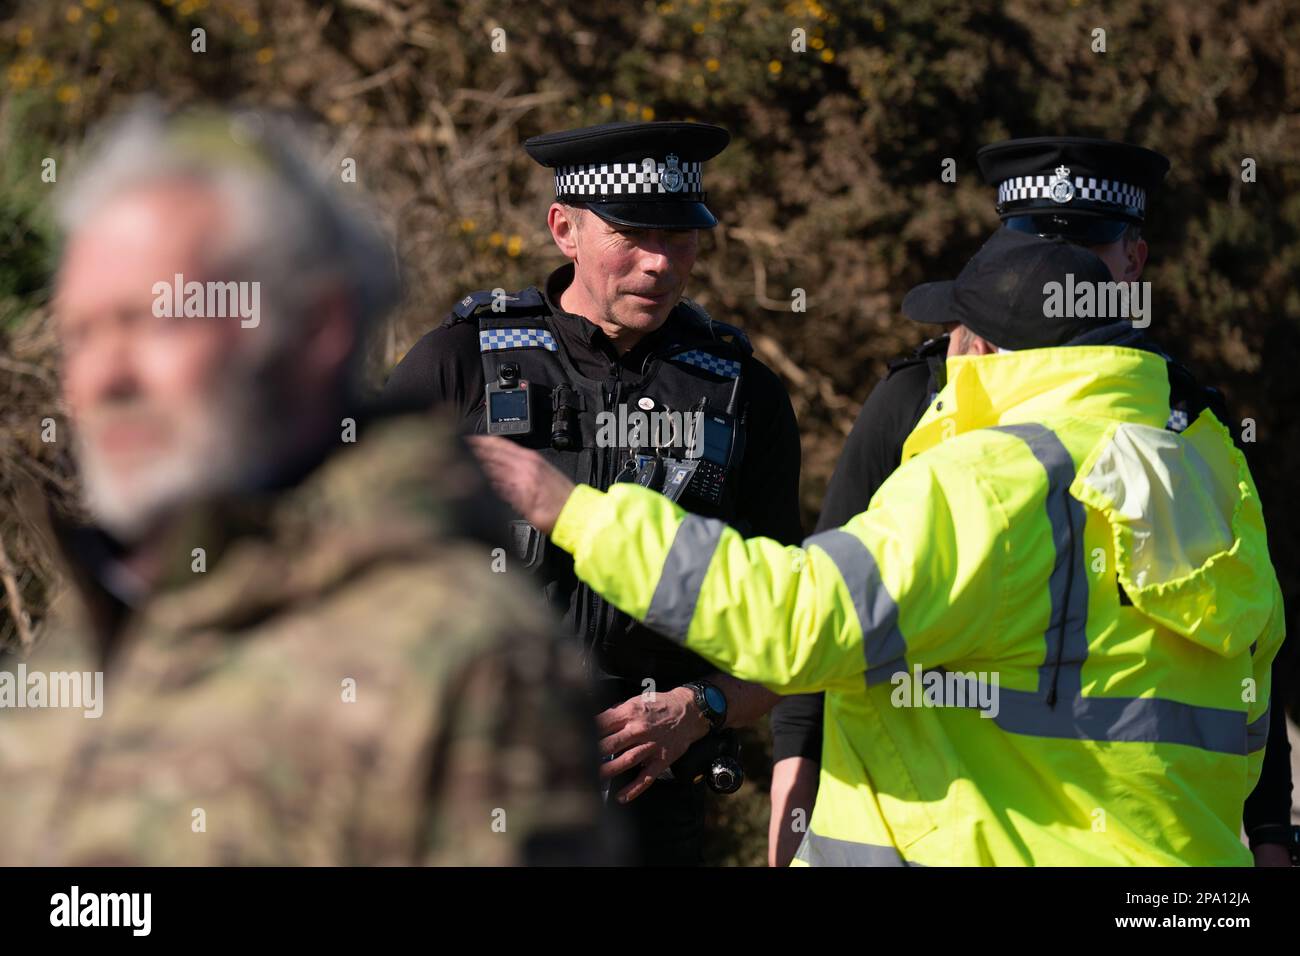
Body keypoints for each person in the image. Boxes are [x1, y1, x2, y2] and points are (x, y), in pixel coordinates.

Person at [472, 227, 1285, 866]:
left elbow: (797, 622)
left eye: (954, 332)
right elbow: (1246, 707)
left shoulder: (995, 480)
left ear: (982, 349)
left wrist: (575, 511)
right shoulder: (1210, 469)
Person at [0, 104, 611, 866]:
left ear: (316, 326)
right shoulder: (81, 639)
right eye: (80, 333)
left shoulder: (461, 663)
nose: (104, 378)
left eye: (154, 321)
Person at [770, 136, 1294, 866]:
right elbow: (827, 601)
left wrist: (1269, 832)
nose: (1057, 272)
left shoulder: (1188, 423)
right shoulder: (918, 394)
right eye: (1032, 244)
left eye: (1085, 246)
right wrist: (791, 783)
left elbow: (1241, 645)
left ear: (1133, 263)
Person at [382, 120, 803, 865]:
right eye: (633, 234)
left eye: (681, 237)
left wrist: (701, 708)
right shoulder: (461, 364)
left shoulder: (742, 390)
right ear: (564, 229)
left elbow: (793, 629)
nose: (659, 263)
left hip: (654, 800)